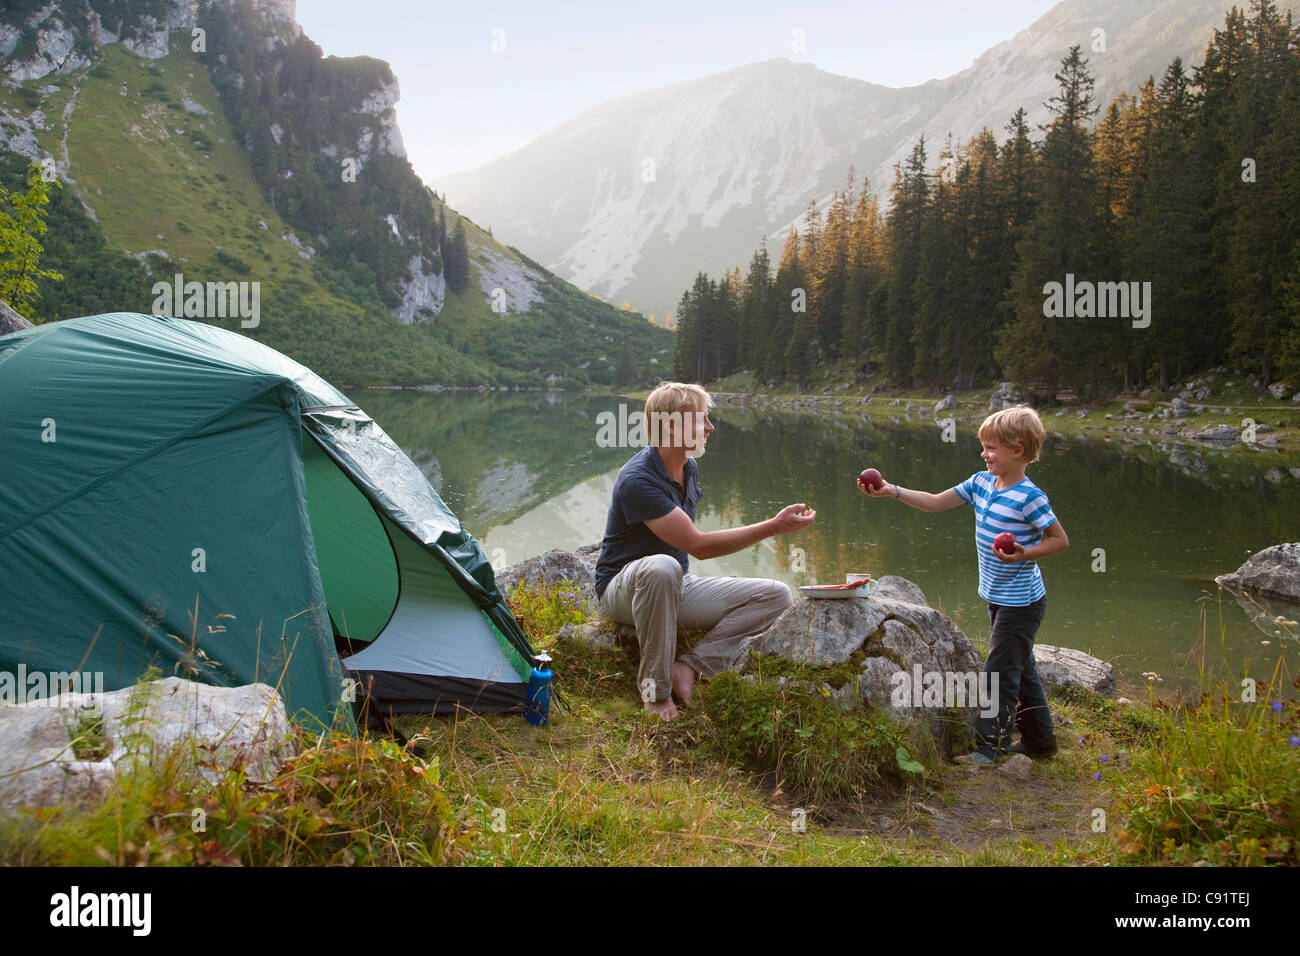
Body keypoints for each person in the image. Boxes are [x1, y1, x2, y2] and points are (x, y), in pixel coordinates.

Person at [859, 405, 1069, 764]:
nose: (984, 454)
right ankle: (1041, 741)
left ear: (1017, 450)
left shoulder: (1029, 497)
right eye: (983, 447)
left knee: (999, 672)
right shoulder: (981, 483)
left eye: (991, 448)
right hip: (998, 597)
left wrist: (1025, 554)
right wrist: (892, 490)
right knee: (1021, 668)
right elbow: (935, 503)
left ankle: (990, 748)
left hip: (1022, 602)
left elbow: (1059, 540)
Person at [595, 382, 815, 720]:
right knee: (662, 567)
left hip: (675, 584)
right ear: (672, 426)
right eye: (701, 420)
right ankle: (655, 694)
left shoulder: (688, 467)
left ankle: (690, 666)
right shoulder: (637, 480)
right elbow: (700, 546)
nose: (711, 427)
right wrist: (774, 526)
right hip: (624, 590)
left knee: (777, 596)